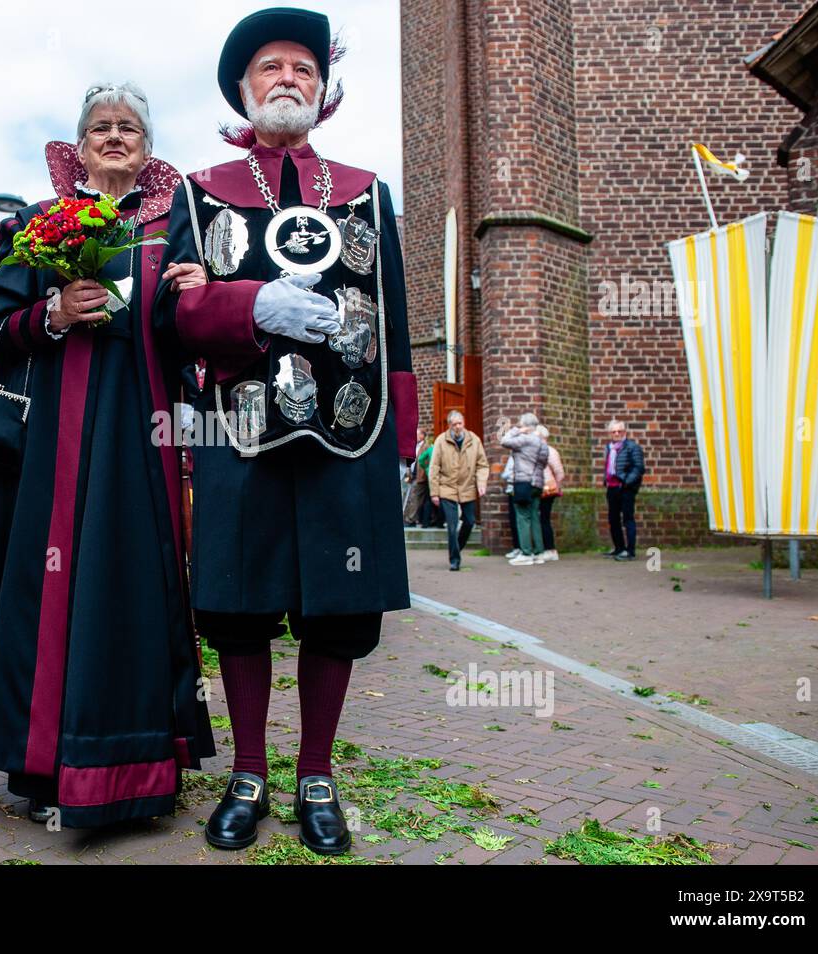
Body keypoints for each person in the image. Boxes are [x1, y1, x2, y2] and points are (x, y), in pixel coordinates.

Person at [155, 7, 418, 855]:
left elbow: (399, 323)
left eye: (302, 67)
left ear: (323, 87)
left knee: (335, 608)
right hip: (241, 430)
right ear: (243, 88)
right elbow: (179, 314)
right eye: (269, 67)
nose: (286, 79)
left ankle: (317, 776)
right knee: (241, 606)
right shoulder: (199, 192)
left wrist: (403, 439)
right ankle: (248, 774)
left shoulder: (369, 189)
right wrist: (247, 303)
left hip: (351, 431)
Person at [0, 81, 215, 828]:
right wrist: (50, 313)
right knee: (46, 586)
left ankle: (138, 763)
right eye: (100, 128)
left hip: (137, 440)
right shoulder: (39, 222)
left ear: (147, 148)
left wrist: (200, 292)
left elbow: (193, 334)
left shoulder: (174, 225)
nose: (114, 137)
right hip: (49, 447)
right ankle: (43, 762)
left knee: (129, 580)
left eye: (128, 128)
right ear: (79, 145)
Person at [429, 410, 488, 571]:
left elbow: (482, 464)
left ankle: (457, 548)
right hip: (447, 488)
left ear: (464, 423)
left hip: (467, 487)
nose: (457, 427)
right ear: (449, 425)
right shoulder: (441, 440)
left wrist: (481, 483)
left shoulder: (474, 440)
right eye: (454, 424)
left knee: (469, 522)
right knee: (452, 525)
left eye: (460, 423)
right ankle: (454, 560)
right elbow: (434, 467)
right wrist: (434, 492)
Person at [501, 413, 550, 566]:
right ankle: (539, 552)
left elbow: (504, 441)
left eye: (521, 425)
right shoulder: (542, 443)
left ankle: (526, 553)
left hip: (523, 481)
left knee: (522, 517)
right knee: (535, 516)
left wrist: (517, 431)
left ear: (527, 426)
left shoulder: (525, 439)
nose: (520, 427)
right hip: (538, 482)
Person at [604, 418, 645, 560]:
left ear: (624, 432)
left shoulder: (632, 447)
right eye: (613, 431)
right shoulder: (609, 448)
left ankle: (630, 551)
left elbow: (638, 468)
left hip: (625, 488)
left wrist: (627, 482)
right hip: (612, 488)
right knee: (613, 519)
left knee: (628, 518)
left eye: (619, 431)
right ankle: (619, 548)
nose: (616, 433)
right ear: (610, 433)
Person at [536, 424, 565, 561]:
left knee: (544, 519)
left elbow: (559, 472)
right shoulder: (538, 450)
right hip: (538, 489)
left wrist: (556, 486)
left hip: (547, 490)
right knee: (540, 519)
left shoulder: (550, 451)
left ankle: (550, 549)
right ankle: (543, 548)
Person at [402, 427, 429, 526]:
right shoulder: (415, 446)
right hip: (412, 476)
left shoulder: (426, 447)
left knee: (414, 498)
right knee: (409, 498)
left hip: (420, 477)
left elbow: (425, 462)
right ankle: (407, 518)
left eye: (417, 434)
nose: (415, 436)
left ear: (422, 436)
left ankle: (410, 520)